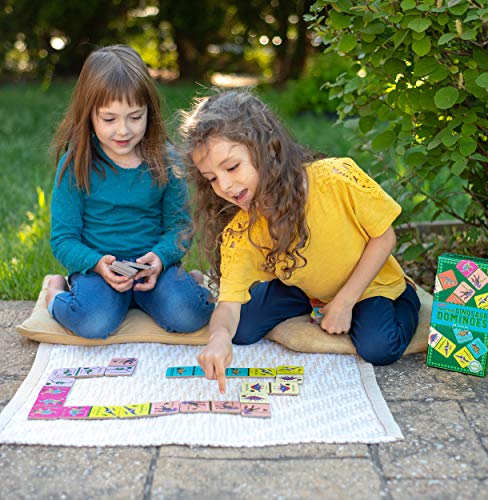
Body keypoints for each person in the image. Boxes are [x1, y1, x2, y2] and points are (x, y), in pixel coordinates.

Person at [180, 90, 421, 393]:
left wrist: (344, 303)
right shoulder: (242, 231)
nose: (225, 185)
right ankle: (314, 301)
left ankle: (408, 295)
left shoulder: (335, 179)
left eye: (231, 167)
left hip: (370, 282)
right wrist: (218, 339)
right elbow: (228, 306)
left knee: (379, 347)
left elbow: (385, 237)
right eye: (212, 178)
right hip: (305, 287)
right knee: (239, 330)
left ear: (268, 150)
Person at [46, 45, 214, 339]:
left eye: (135, 117)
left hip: (153, 269)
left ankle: (187, 283)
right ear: (89, 116)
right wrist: (97, 265)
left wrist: (161, 258)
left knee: (189, 315)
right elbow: (63, 238)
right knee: (93, 323)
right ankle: (54, 292)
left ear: (149, 110)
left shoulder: (165, 160)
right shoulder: (75, 165)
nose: (123, 130)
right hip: (97, 270)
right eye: (109, 119)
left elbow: (180, 227)